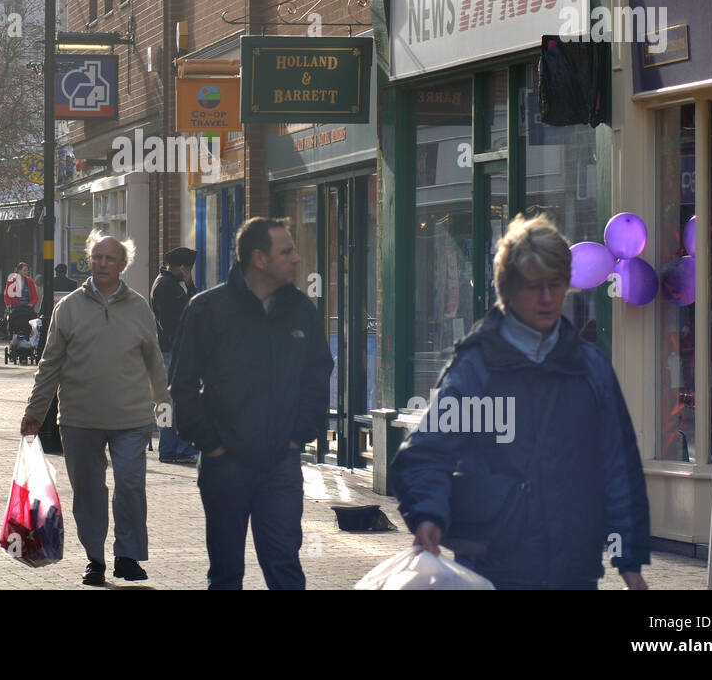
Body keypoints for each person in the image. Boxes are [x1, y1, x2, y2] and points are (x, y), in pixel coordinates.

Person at [390, 212, 651, 590]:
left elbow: (618, 468)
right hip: (493, 569)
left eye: (556, 284)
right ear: (508, 290)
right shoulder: (477, 366)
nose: (547, 298)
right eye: (533, 287)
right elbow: (427, 453)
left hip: (572, 572)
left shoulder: (589, 369)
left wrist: (629, 561)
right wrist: (429, 515)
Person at [170, 218, 333, 590]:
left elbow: (318, 374)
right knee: (226, 575)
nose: (296, 258)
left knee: (285, 569)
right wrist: (211, 445)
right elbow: (181, 384)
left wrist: (299, 437)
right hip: (224, 465)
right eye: (286, 251)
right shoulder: (207, 309)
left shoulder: (301, 310)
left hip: (281, 464)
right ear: (259, 258)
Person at [20, 231, 169, 586]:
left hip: (131, 416)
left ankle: (128, 556)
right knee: (88, 491)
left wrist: (163, 404)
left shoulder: (138, 307)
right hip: (80, 417)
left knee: (130, 485)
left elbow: (154, 362)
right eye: (97, 257)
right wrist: (35, 411)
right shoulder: (68, 307)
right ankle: (95, 559)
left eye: (110, 258)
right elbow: (50, 364)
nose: (102, 264)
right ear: (90, 260)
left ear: (122, 265)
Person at [150, 247, 199, 465]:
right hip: (171, 352)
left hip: (170, 351)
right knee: (169, 402)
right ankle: (171, 448)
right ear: (182, 268)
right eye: (188, 270)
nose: (188, 273)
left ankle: (171, 448)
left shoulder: (169, 284)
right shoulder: (166, 287)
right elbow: (175, 321)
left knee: (169, 402)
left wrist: (188, 285)